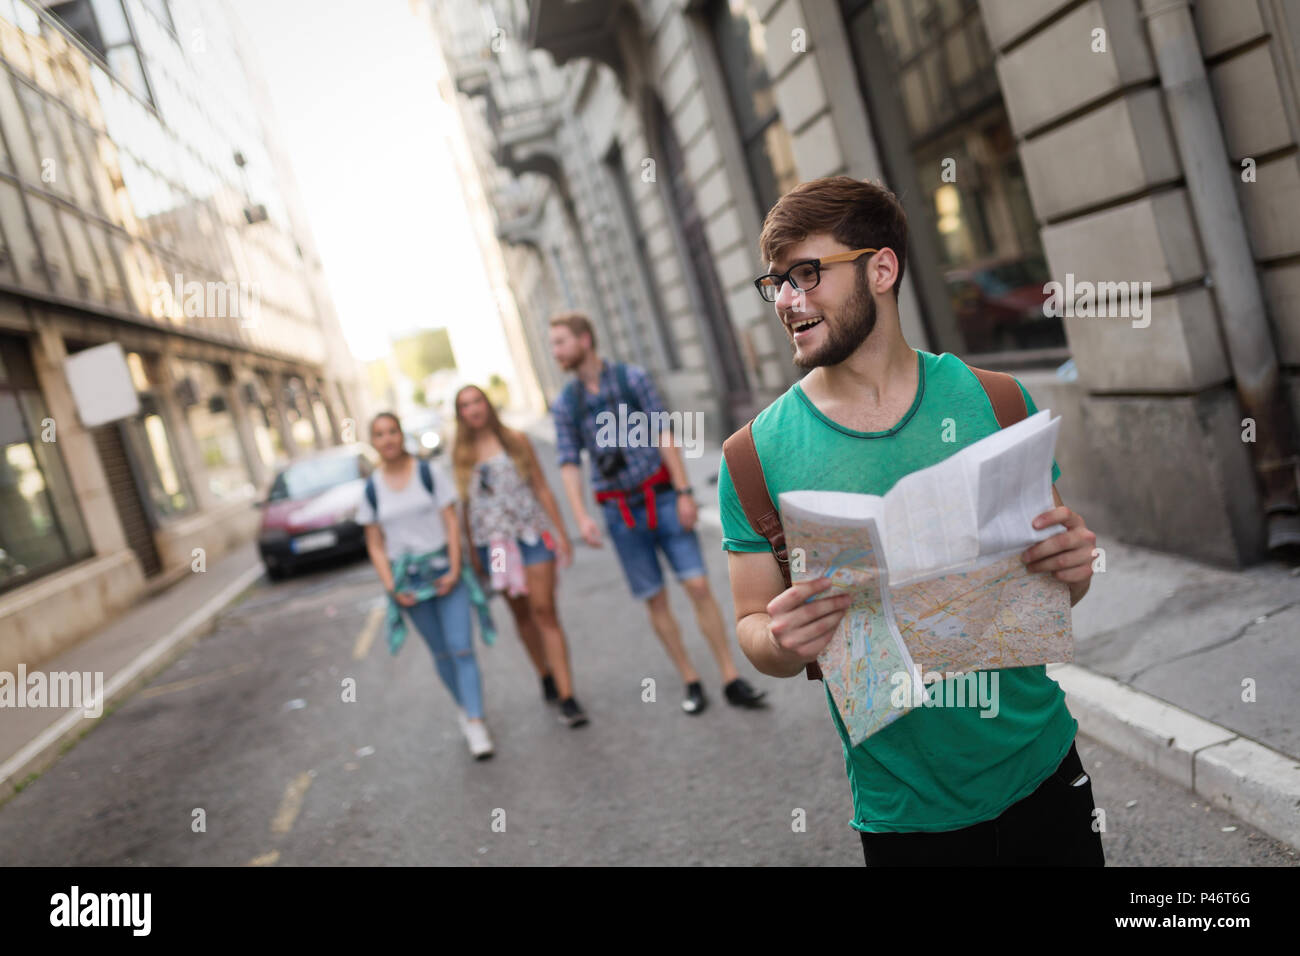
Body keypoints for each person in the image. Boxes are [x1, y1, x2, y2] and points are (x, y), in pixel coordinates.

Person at [719, 176, 1104, 866]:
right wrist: (782, 638)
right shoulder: (754, 457)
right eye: (775, 282)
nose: (785, 299)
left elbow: (1054, 590)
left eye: (806, 274)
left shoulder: (997, 401)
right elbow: (753, 629)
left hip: (1044, 772)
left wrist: (1075, 569)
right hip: (905, 820)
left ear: (882, 268)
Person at [548, 311, 767, 715]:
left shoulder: (632, 379)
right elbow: (568, 461)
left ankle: (730, 676)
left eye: (560, 342)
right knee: (655, 600)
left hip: (662, 497)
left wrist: (683, 491)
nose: (555, 351)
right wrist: (580, 515)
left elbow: (663, 432)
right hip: (619, 513)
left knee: (698, 586)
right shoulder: (566, 403)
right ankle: (689, 678)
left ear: (584, 340)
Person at [358, 411, 494, 759]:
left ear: (402, 435)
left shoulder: (428, 472)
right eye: (379, 434)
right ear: (373, 442)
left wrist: (454, 566)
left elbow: (450, 521)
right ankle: (464, 707)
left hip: (444, 571)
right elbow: (374, 543)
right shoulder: (372, 488)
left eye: (392, 431)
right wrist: (391, 585)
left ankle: (476, 722)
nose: (387, 439)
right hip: (409, 583)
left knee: (462, 646)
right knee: (442, 652)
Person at [452, 384, 589, 728]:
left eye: (477, 401)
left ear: (487, 404)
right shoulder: (461, 454)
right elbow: (465, 507)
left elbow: (541, 486)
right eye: (465, 405)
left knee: (544, 609)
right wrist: (473, 553)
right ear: (460, 414)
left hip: (531, 536)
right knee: (521, 613)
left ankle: (568, 695)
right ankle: (544, 673)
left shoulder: (515, 440)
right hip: (493, 547)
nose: (473, 409)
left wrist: (561, 533)